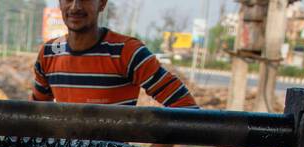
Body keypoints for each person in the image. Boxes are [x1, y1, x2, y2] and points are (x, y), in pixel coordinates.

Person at [32, 0, 197, 110]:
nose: (75, 7)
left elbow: (187, 109)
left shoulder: (127, 52)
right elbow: (35, 115)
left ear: (102, 3)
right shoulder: (50, 52)